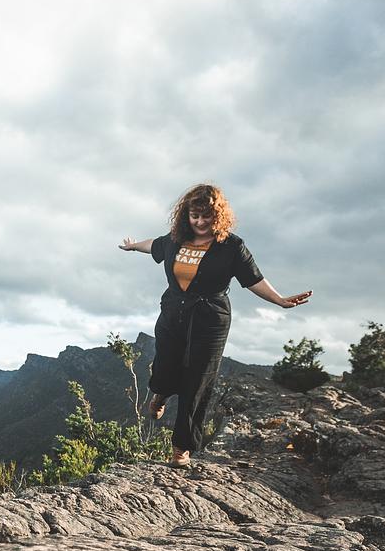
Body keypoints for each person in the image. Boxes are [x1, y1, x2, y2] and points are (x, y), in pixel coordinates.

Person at [121, 183, 311, 468]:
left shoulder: (232, 246)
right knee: (164, 366)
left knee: (197, 380)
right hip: (174, 311)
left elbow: (253, 279)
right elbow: (155, 245)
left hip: (211, 317)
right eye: (194, 216)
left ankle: (181, 448)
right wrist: (134, 245)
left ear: (218, 216)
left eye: (205, 217)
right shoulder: (175, 239)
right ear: (186, 215)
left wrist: (280, 300)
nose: (199, 223)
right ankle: (161, 393)